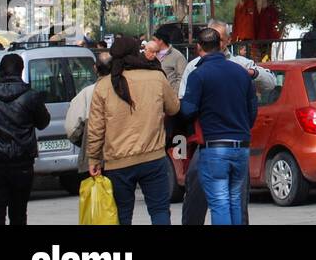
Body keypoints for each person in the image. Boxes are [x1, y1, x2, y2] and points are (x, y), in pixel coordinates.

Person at [178, 20, 275, 225]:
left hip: (214, 145)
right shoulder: (240, 71)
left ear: (199, 47)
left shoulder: (200, 72)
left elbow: (187, 109)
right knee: (232, 200)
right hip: (239, 145)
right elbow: (252, 109)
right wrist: (242, 128)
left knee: (220, 201)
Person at [86, 35, 180, 225]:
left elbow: (96, 128)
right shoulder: (156, 77)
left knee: (122, 215)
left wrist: (94, 158)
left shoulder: (103, 86)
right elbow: (174, 107)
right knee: (160, 210)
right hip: (153, 157)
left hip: (117, 162)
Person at [0, 54, 51, 226]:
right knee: (19, 214)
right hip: (22, 163)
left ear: (0, 72)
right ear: (21, 71)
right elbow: (43, 123)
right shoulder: (31, 96)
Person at [65, 50, 113, 180]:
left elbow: (72, 129)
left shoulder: (87, 93)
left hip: (94, 159)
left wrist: (85, 143)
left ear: (95, 68)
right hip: (121, 156)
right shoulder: (124, 89)